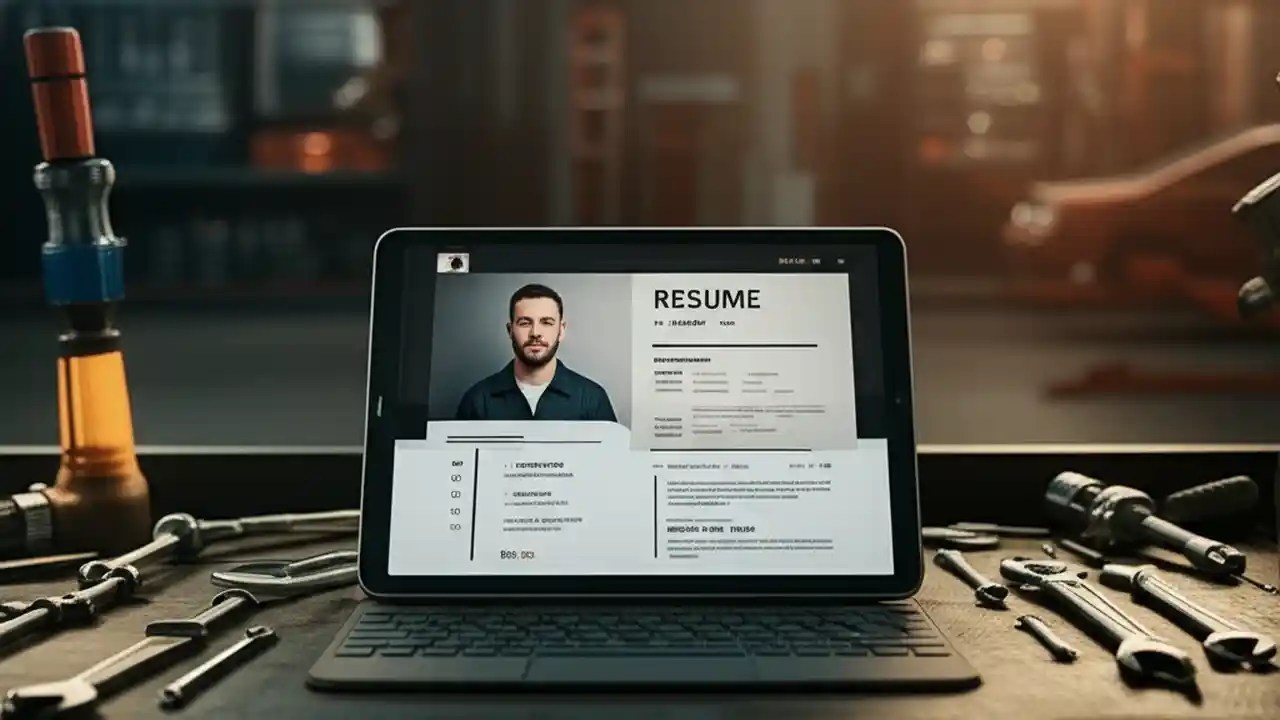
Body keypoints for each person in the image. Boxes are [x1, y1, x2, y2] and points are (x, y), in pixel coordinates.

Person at [455, 283, 617, 421]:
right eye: (525, 323)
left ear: (561, 330)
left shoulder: (593, 399)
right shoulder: (477, 400)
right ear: (510, 330)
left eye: (546, 322)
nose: (535, 333)